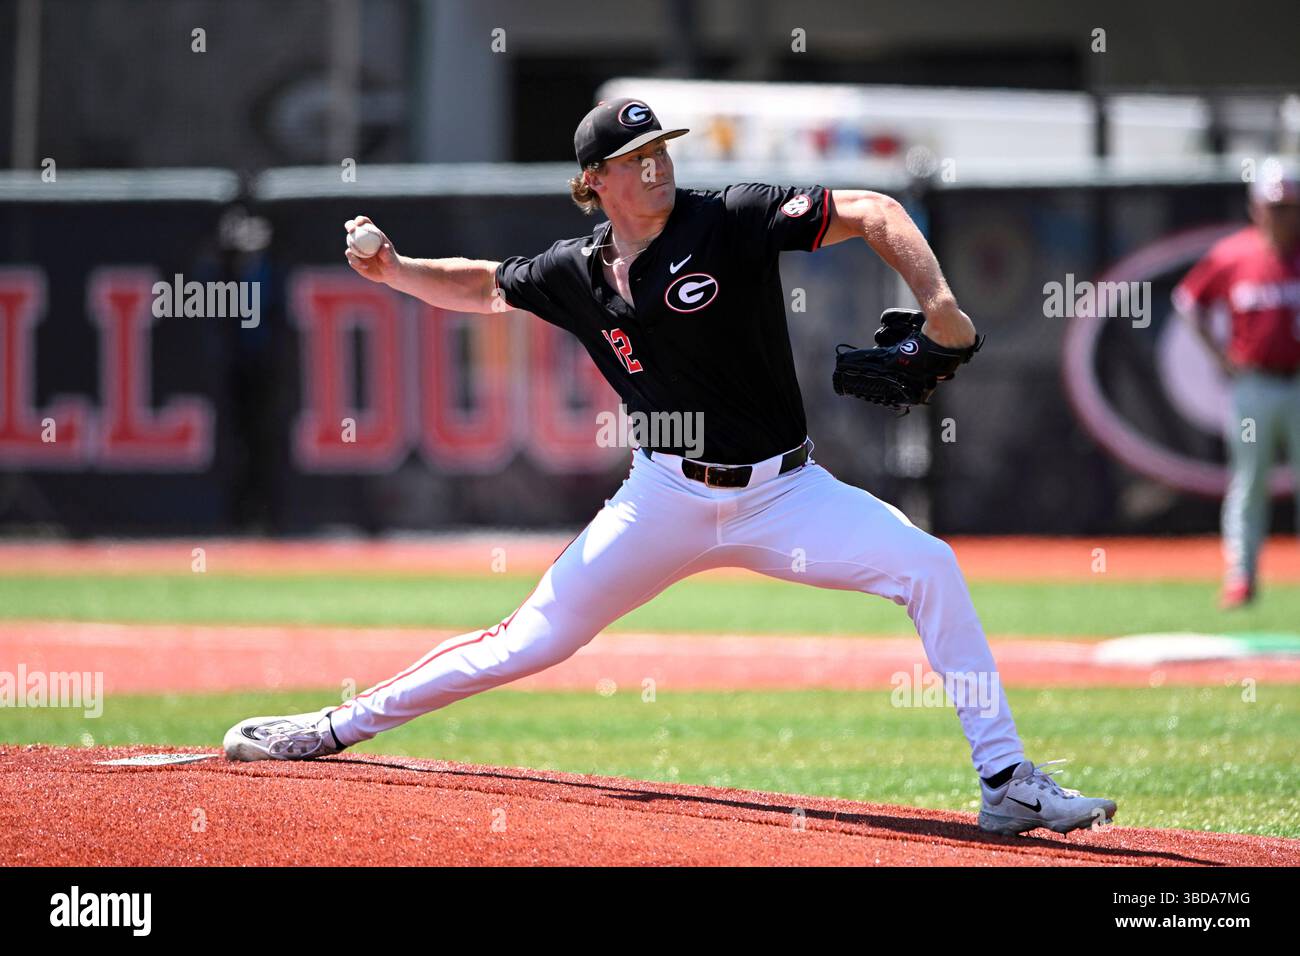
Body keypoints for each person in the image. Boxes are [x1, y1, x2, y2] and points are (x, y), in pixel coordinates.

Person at [224, 97, 1117, 837]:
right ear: (592, 182)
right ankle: (331, 727)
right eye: (633, 155)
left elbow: (876, 212)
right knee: (528, 643)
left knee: (931, 566)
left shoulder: (729, 218)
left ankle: (1006, 780)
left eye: (660, 149)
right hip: (664, 495)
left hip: (787, 492)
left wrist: (943, 307)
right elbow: (485, 285)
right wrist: (395, 270)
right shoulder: (578, 271)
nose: (655, 165)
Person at [1174, 158, 1300, 609]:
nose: (1286, 216)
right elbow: (1188, 301)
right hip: (1255, 384)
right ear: (1258, 208)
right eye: (1278, 206)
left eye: (1293, 207)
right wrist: (1219, 357)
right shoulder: (1234, 254)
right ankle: (1241, 577)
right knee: (1249, 482)